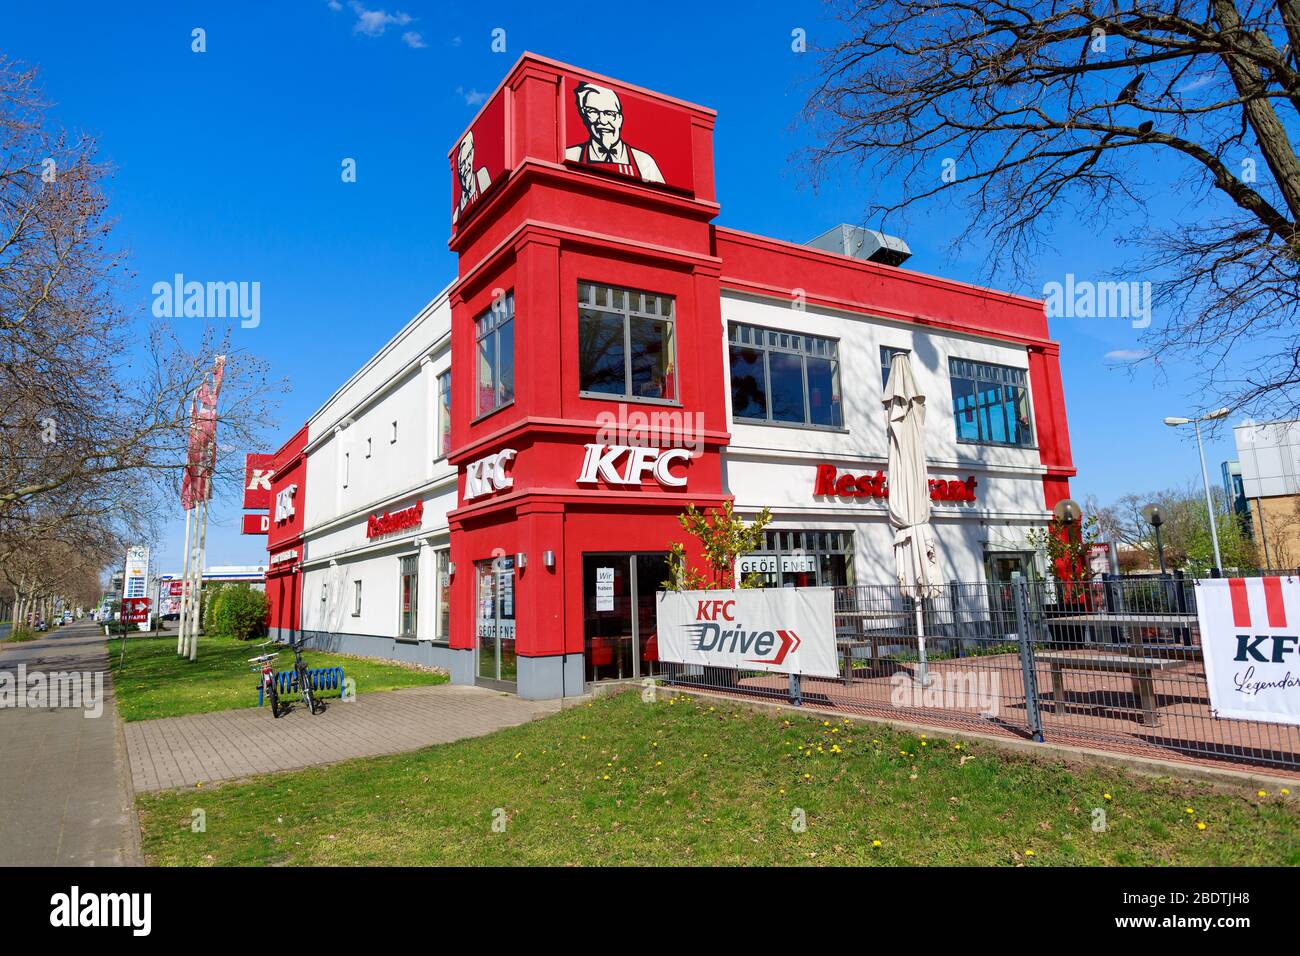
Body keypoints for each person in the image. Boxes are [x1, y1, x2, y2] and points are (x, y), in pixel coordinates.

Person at [565, 82, 665, 184]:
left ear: (620, 119)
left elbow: (661, 197)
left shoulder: (643, 162)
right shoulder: (571, 155)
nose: (602, 121)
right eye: (593, 112)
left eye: (609, 113)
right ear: (584, 117)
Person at [452, 130, 493, 225]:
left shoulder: (482, 177)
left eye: (468, 157)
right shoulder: (457, 213)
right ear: (458, 170)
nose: (466, 167)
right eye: (462, 164)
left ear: (473, 155)